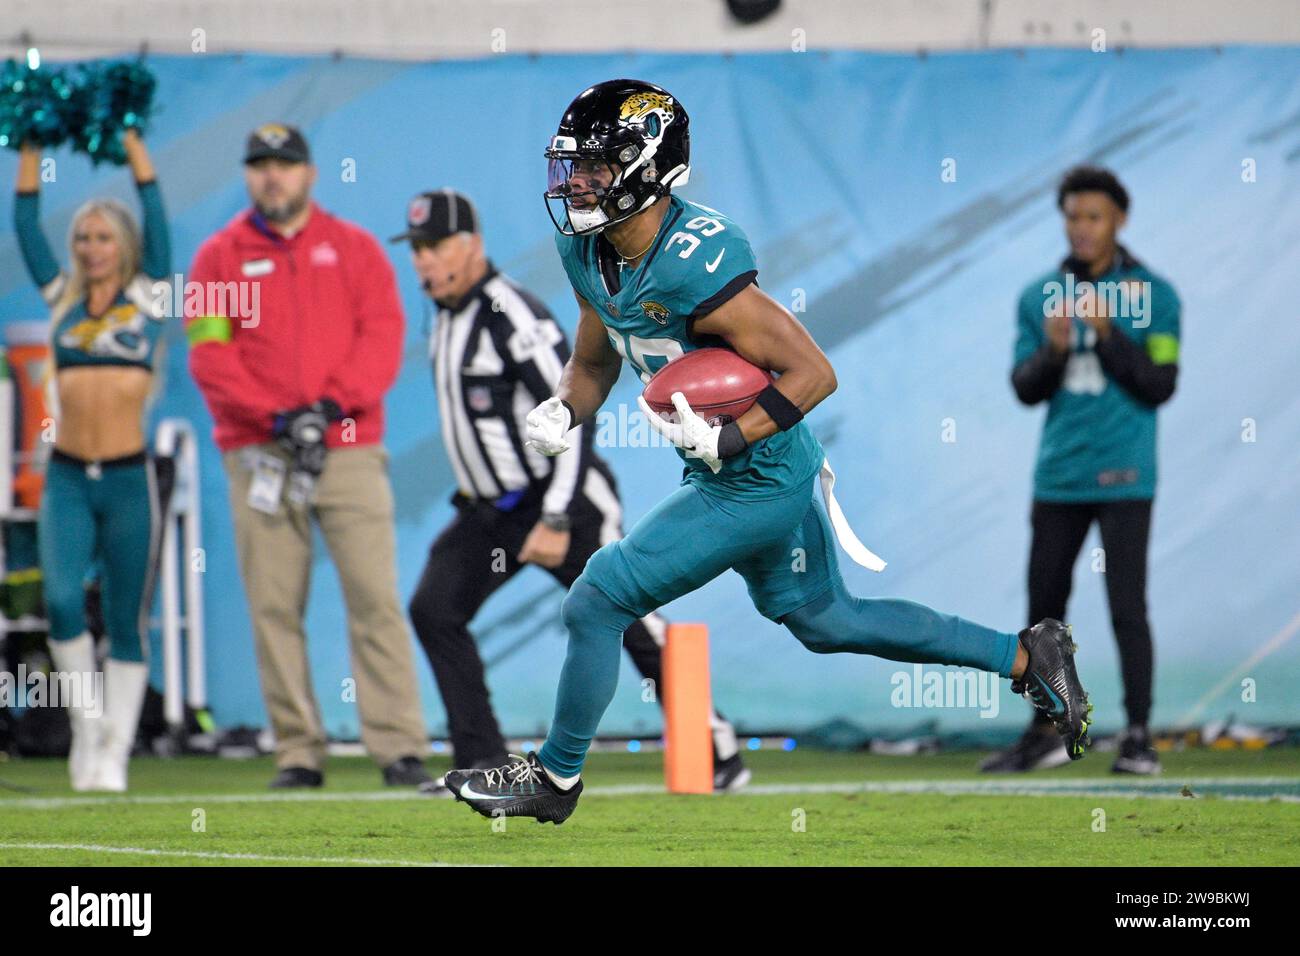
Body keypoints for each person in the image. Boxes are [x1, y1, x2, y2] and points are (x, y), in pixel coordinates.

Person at [445, 80, 1093, 824]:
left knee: (597, 598)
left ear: (648, 165)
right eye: (575, 165)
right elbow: (595, 362)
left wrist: (729, 435)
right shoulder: (587, 249)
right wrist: (565, 408)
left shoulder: (695, 257)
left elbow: (814, 372)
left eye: (596, 165)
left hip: (754, 477)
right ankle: (1027, 655)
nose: (578, 183)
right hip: (733, 468)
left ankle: (553, 781)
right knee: (826, 620)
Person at [394, 190, 749, 793]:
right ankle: (480, 758)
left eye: (436, 246)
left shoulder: (512, 315)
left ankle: (715, 746)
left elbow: (569, 413)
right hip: (490, 511)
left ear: (472, 246)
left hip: (562, 497)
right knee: (435, 609)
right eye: (417, 250)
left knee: (625, 613)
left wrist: (555, 517)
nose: (424, 261)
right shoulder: (446, 315)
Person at [185, 123, 431, 789]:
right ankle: (298, 752)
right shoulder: (215, 259)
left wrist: (328, 408)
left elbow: (383, 335)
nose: (273, 176)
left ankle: (399, 747)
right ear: (248, 176)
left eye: (284, 165)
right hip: (259, 451)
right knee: (273, 608)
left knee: (375, 598)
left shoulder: (354, 250)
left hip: (348, 446)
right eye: (260, 165)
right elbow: (208, 353)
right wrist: (273, 416)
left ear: (310, 173)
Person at [983, 166, 1180, 775]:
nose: (1081, 228)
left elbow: (1160, 384)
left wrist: (1109, 334)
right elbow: (1024, 387)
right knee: (1044, 610)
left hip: (1126, 477)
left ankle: (1139, 736)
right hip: (1059, 478)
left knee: (1127, 606)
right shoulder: (1036, 297)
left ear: (1119, 219)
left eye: (1093, 217)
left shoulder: (1157, 296)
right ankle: (1046, 731)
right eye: (1072, 216)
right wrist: (1055, 350)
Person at [12, 128, 168, 791]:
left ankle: (115, 752)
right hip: (69, 476)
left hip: (131, 477)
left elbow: (157, 217)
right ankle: (87, 724)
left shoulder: (152, 296)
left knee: (128, 616)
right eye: (83, 238)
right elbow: (24, 223)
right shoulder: (62, 300)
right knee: (61, 601)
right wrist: (27, 144)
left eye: (103, 237)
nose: (91, 248)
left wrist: (129, 135)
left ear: (123, 245)